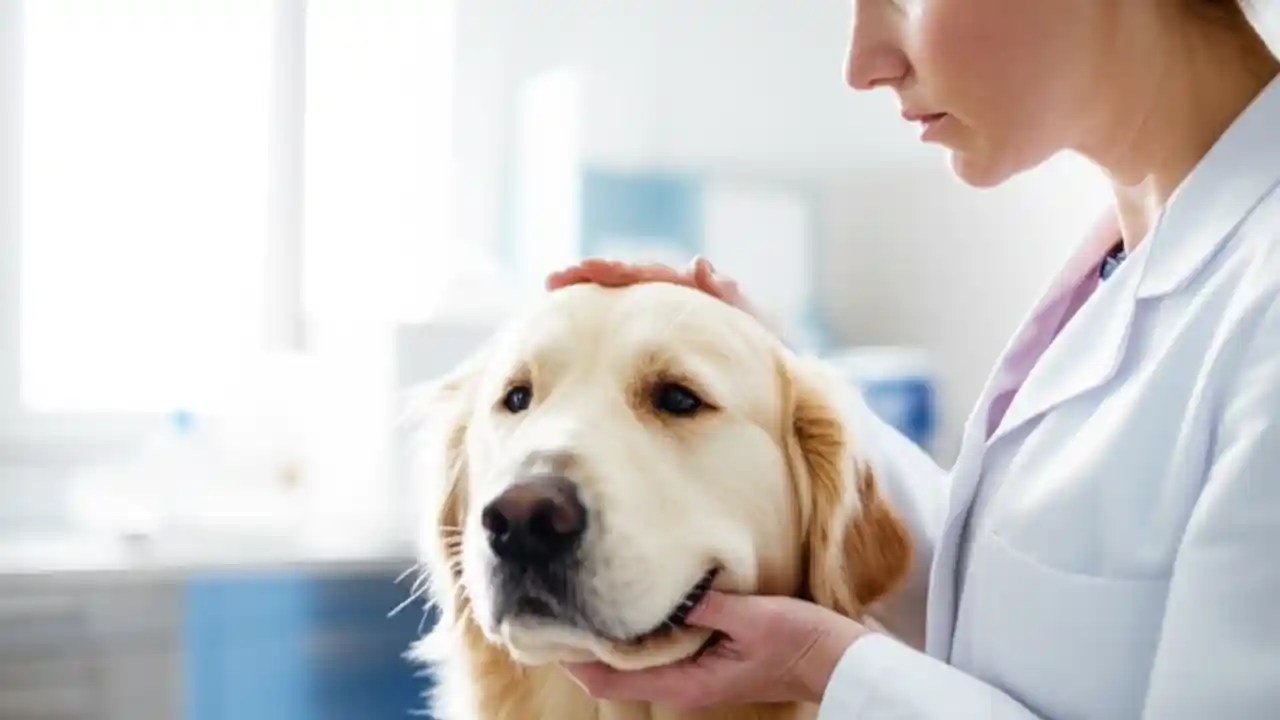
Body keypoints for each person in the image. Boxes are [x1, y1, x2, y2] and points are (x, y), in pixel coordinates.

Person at [549, 0, 1280, 717]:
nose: (863, 65)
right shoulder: (1144, 244)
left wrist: (827, 668)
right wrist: (771, 376)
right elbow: (1007, 593)